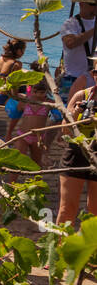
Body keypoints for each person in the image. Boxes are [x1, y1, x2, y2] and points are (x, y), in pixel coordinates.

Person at [58, 57, 97, 228]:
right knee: (67, 209)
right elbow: (65, 130)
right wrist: (76, 113)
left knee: (95, 210)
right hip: (76, 152)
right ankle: (60, 251)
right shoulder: (82, 95)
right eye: (96, 72)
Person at [59, 0, 96, 105]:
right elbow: (71, 43)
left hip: (93, 78)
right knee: (65, 112)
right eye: (92, 4)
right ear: (81, 4)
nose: (95, 7)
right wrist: (94, 31)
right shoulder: (71, 24)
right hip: (72, 77)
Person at [0, 39, 28, 142]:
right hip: (5, 97)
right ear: (18, 51)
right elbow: (14, 88)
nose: (23, 53)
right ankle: (9, 134)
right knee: (25, 103)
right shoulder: (16, 65)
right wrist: (19, 98)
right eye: (23, 50)